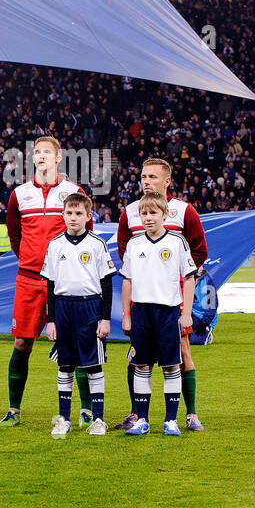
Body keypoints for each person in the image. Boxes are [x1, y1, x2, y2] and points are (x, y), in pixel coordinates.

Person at [110, 158, 209, 431]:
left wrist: (174, 279)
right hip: (143, 301)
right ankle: (136, 414)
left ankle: (190, 414)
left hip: (171, 300)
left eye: (152, 177)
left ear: (167, 181)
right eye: (143, 176)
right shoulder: (130, 211)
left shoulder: (184, 210)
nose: (146, 181)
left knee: (182, 352)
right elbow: (124, 251)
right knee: (137, 357)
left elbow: (199, 250)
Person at [0, 137, 88, 426]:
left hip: (65, 282)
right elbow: (15, 234)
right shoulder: (20, 194)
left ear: (59, 158)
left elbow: (86, 233)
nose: (40, 157)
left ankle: (86, 410)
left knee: (74, 344)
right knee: (22, 343)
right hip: (28, 279)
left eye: (47, 153)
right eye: (36, 152)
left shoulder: (74, 191)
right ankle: (14, 410)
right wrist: (29, 258)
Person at [119, 193, 196, 437]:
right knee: (142, 365)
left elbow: (190, 277)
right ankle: (142, 420)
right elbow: (127, 281)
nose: (148, 218)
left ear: (165, 215)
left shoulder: (177, 242)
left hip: (168, 312)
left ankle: (170, 420)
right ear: (139, 216)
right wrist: (126, 315)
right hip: (141, 311)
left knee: (171, 365)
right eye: (144, 213)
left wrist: (187, 313)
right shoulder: (134, 244)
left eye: (153, 213)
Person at [41, 193, 114, 438]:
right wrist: (50, 320)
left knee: (93, 365)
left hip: (89, 308)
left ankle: (99, 419)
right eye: (69, 213)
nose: (73, 218)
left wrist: (105, 318)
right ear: (63, 215)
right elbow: (49, 285)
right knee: (65, 365)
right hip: (63, 309)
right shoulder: (55, 244)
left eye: (79, 213)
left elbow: (106, 284)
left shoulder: (96, 244)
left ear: (88, 216)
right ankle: (63, 420)